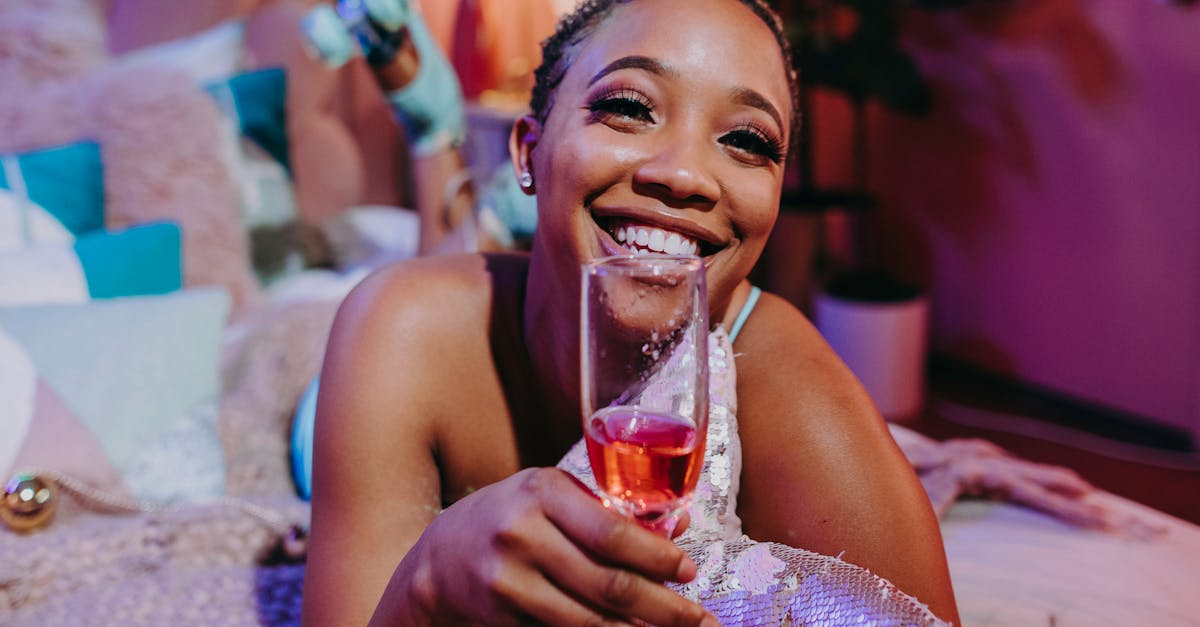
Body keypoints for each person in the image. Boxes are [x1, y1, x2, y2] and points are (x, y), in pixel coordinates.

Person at [301, 0, 961, 624]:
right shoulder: (404, 328)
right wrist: (427, 579)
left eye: (748, 141)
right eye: (627, 107)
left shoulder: (791, 385)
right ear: (529, 150)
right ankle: (441, 139)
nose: (684, 175)